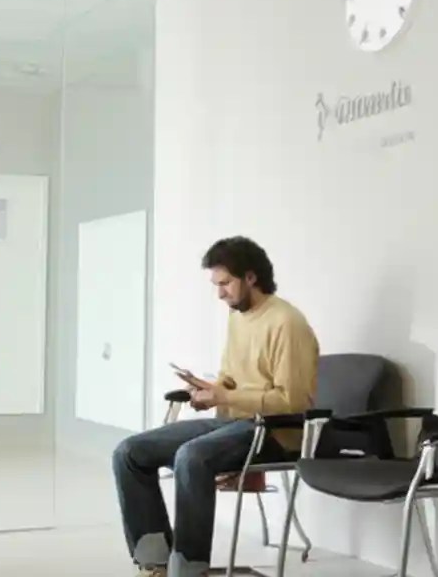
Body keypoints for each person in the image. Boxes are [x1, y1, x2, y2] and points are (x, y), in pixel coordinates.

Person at [113, 236, 320, 577]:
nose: (220, 293)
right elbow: (231, 379)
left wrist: (224, 397)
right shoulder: (239, 316)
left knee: (192, 457)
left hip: (275, 432)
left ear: (251, 278)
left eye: (225, 283)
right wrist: (209, 390)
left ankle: (190, 568)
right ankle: (155, 563)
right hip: (235, 422)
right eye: (216, 284)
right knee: (130, 452)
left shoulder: (287, 323)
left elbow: (292, 402)